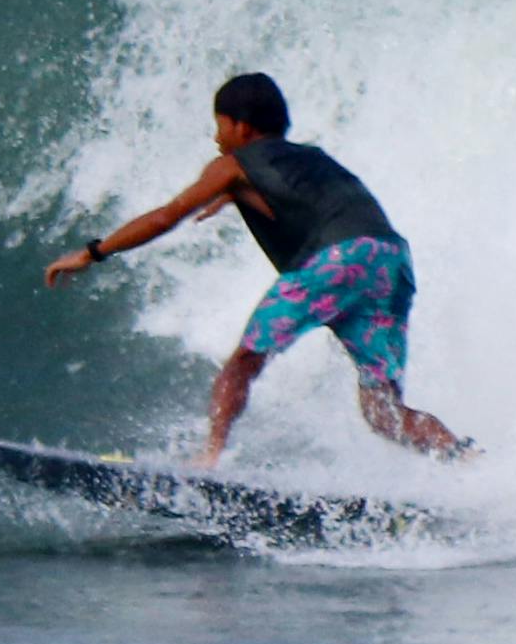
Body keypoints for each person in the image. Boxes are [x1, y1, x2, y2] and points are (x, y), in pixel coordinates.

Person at [41, 71, 473, 463]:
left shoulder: (233, 164)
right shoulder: (313, 159)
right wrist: (236, 195)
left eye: (220, 126)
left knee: (244, 361)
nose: (216, 138)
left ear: (241, 127)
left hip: (337, 259)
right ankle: (466, 461)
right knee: (384, 411)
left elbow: (164, 217)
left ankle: (208, 458)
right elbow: (316, 200)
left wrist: (92, 252)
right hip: (390, 261)